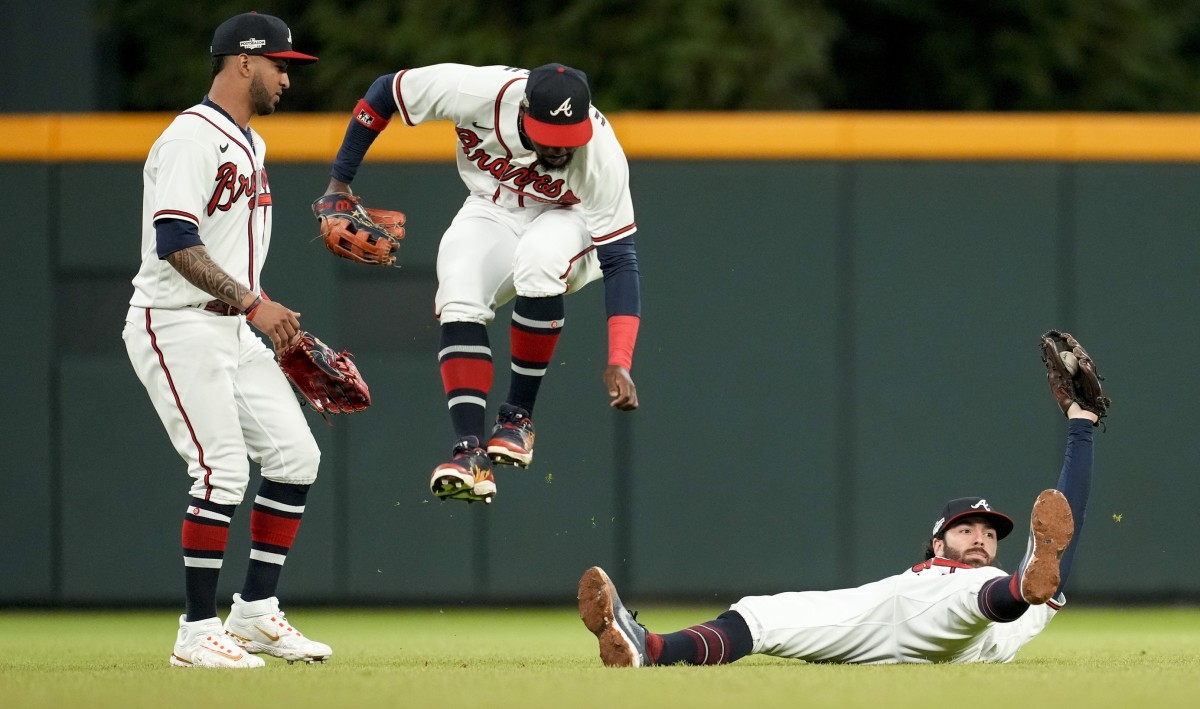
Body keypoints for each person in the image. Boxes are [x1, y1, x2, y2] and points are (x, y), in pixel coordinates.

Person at [579, 383, 1104, 666]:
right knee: (759, 616)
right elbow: (1066, 536)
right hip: (930, 625)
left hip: (964, 610)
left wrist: (1081, 436)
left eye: (990, 534)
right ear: (937, 538)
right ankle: (650, 649)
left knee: (983, 592)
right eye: (968, 529)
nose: (982, 538)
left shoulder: (964, 578)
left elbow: (1064, 535)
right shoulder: (936, 575)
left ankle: (1023, 581)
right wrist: (1081, 425)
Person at [319, 62, 642, 504]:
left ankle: (517, 420)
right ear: (525, 110)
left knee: (539, 258)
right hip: (491, 205)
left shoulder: (599, 154)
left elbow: (621, 259)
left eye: (570, 139)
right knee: (457, 289)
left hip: (572, 221)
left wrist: (620, 358)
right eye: (550, 136)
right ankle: (469, 453)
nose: (561, 150)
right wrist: (340, 181)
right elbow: (384, 92)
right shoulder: (475, 91)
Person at [122, 12, 332, 668]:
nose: (286, 80)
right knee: (220, 471)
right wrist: (256, 302)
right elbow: (175, 242)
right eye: (280, 66)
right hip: (175, 320)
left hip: (232, 326)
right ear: (243, 62)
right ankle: (194, 631)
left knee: (296, 457)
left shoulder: (251, 143)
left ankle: (255, 613)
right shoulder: (191, 137)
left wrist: (266, 319)